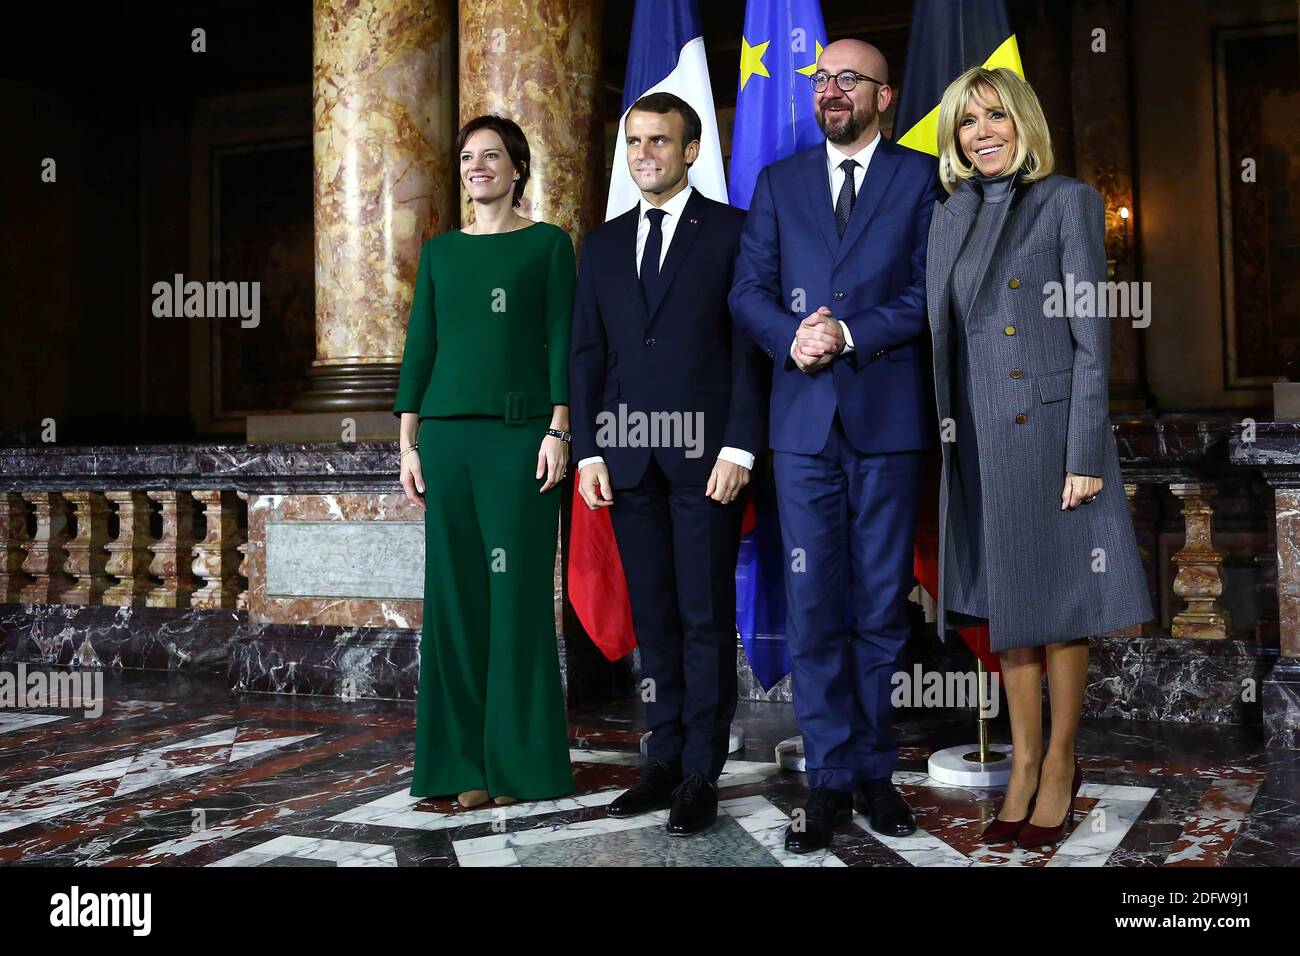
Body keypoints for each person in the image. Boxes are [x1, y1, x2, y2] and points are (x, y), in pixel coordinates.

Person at [924, 67, 1153, 848]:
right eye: (966, 122)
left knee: (1059, 609)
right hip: (975, 442)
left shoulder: (1069, 202)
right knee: (1007, 612)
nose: (981, 133)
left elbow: (1094, 336)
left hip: (1048, 436)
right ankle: (1020, 765)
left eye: (994, 117)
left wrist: (1084, 450)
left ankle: (1059, 763)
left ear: (1023, 121)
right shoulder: (949, 214)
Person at [729, 39, 943, 853]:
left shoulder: (921, 177)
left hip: (888, 428)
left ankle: (874, 772)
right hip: (804, 432)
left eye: (850, 79)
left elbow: (928, 292)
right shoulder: (779, 183)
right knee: (814, 607)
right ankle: (825, 781)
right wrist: (794, 335)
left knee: (881, 609)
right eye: (823, 78)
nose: (832, 90)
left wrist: (848, 331)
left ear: (885, 97)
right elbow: (747, 291)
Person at [569, 92, 766, 836]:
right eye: (635, 141)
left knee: (704, 616)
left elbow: (750, 351)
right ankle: (660, 755)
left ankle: (698, 773)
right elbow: (588, 356)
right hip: (625, 458)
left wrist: (741, 446)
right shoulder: (603, 244)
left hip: (706, 455)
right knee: (653, 616)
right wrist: (588, 448)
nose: (645, 153)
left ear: (691, 151)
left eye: (661, 140)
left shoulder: (734, 232)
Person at [394, 114, 576, 808]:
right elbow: (420, 351)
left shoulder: (548, 245)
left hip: (520, 438)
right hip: (445, 441)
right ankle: (458, 767)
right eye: (468, 157)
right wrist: (407, 445)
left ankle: (520, 768)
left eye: (491, 155)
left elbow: (561, 341)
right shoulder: (440, 253)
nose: (477, 166)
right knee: (454, 604)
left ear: (517, 168)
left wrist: (559, 429)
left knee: (519, 598)